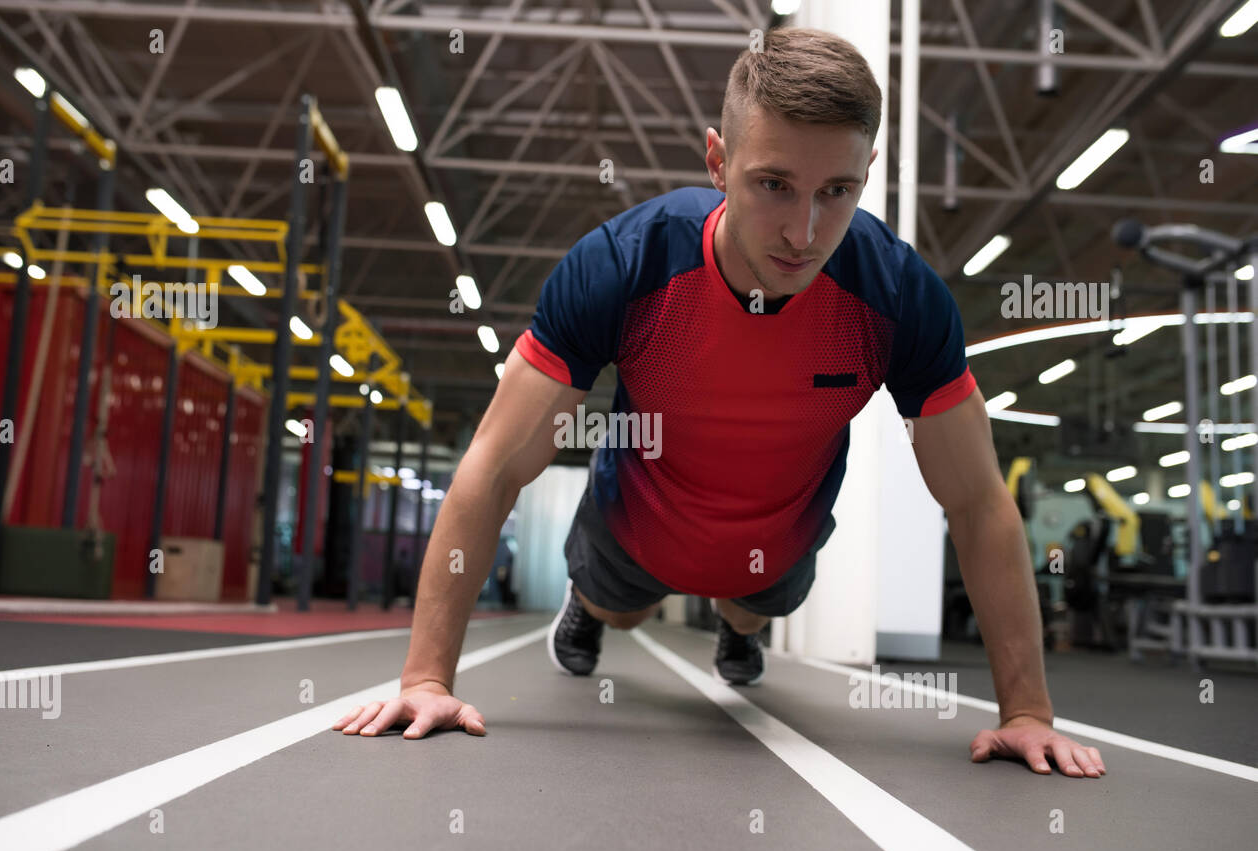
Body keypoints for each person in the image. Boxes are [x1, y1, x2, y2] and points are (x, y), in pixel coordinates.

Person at [333, 27, 1107, 779]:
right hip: (636, 527)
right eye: (774, 184)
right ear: (718, 159)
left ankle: (739, 632)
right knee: (622, 607)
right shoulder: (625, 266)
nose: (803, 233)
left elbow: (977, 502)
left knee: (751, 603)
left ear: (869, 170)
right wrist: (426, 678)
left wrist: (1027, 711)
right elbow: (493, 467)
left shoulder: (898, 297)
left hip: (779, 537)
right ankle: (592, 607)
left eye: (836, 192)